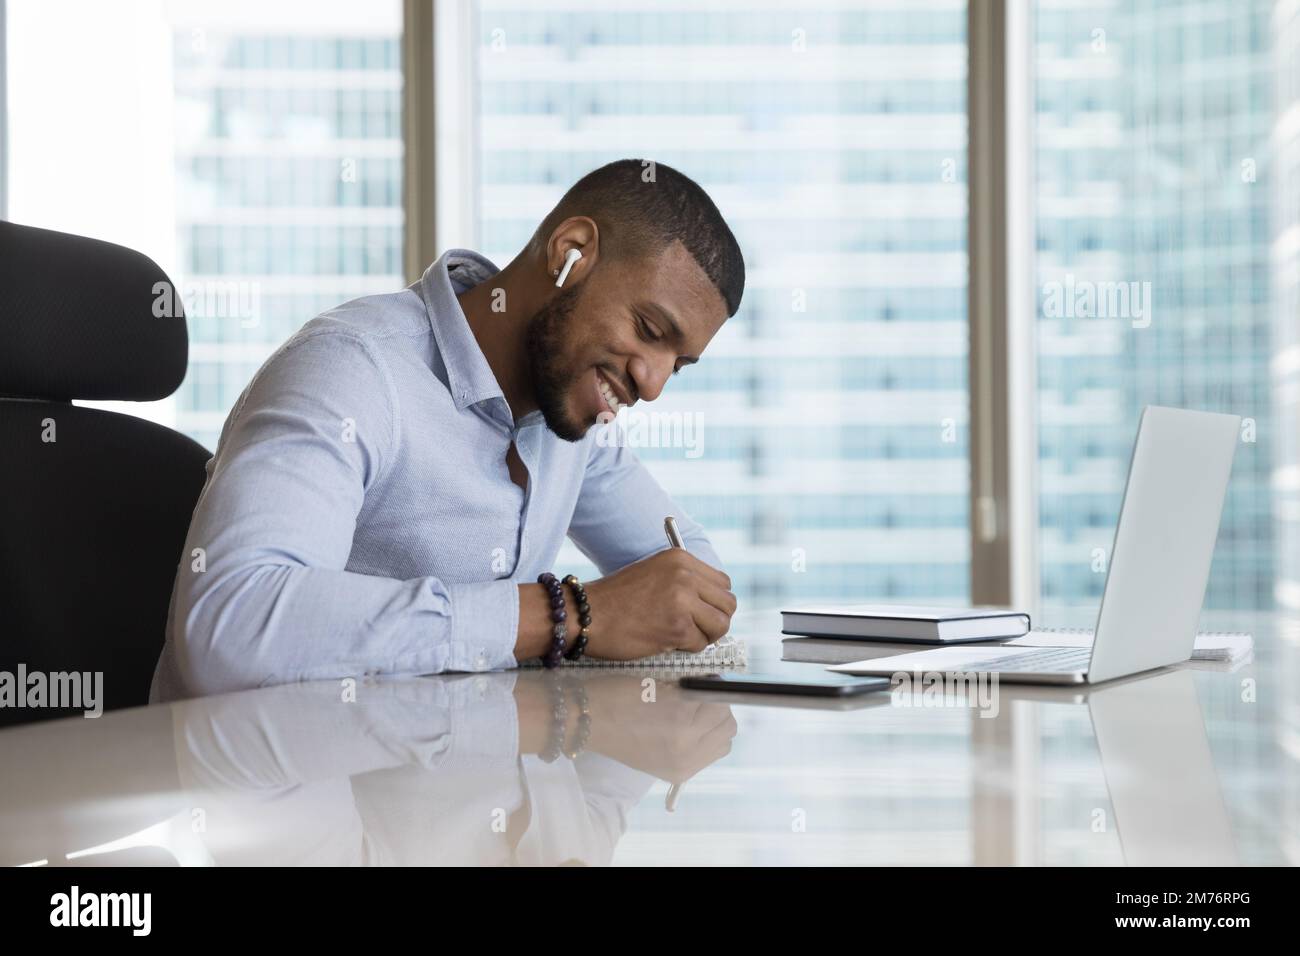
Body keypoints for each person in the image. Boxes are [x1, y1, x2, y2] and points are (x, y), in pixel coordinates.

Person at [151, 159, 744, 700]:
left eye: (679, 364)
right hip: (276, 803)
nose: (654, 383)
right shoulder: (353, 368)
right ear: (571, 252)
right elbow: (229, 627)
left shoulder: (570, 414)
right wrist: (567, 615)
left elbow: (693, 582)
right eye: (648, 329)